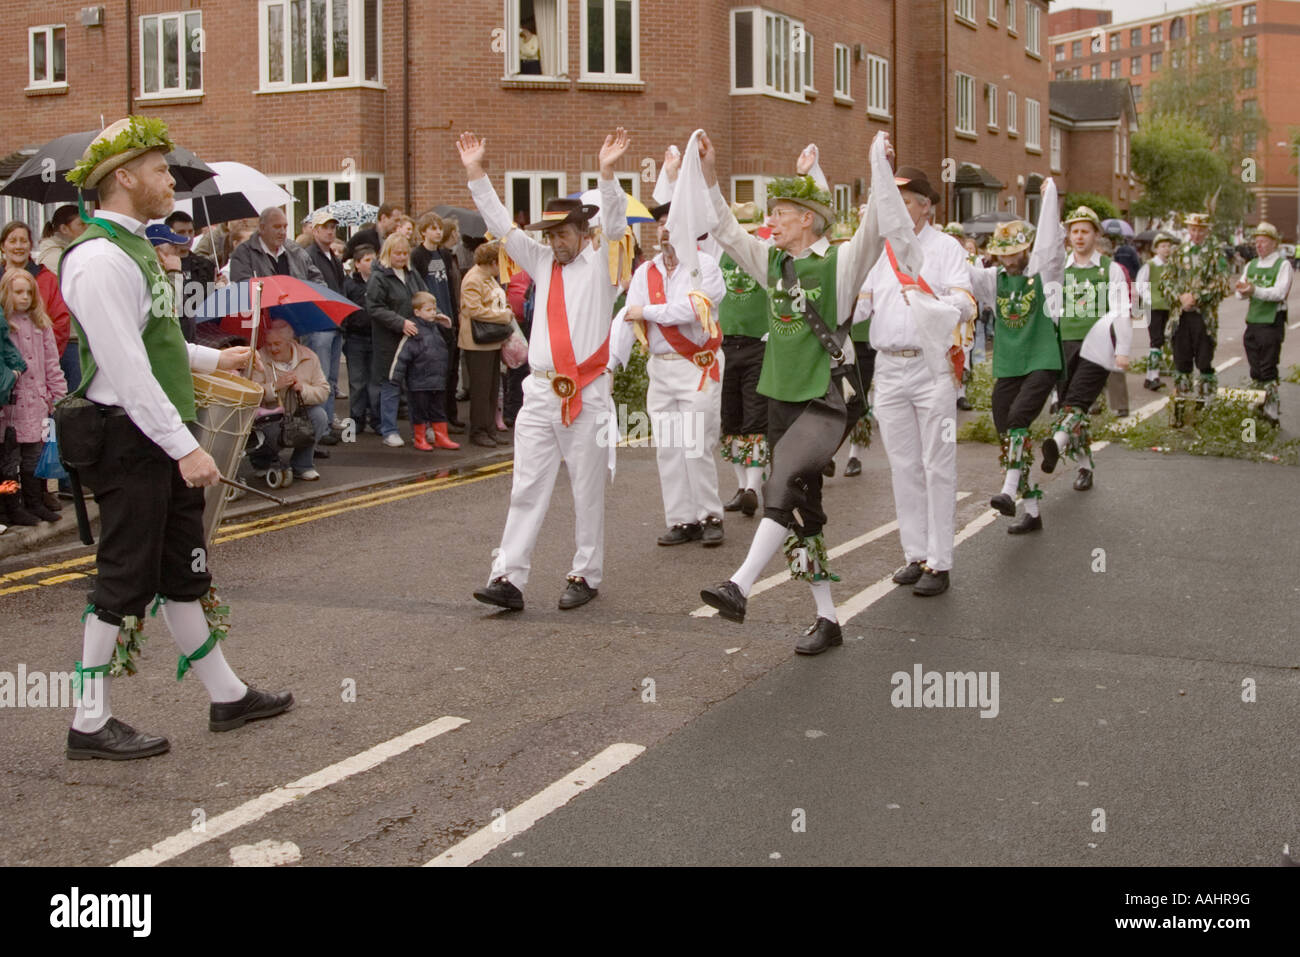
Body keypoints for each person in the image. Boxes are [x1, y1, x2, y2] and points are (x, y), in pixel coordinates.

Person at [57, 116, 291, 760]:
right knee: (124, 578)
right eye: (160, 170)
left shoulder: (134, 249)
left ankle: (227, 695)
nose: (170, 181)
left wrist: (217, 361)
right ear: (124, 178)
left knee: (183, 569)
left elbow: (155, 343)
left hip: (157, 432)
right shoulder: (98, 257)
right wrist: (184, 446)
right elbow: (126, 368)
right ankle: (87, 720)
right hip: (130, 437)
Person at [697, 131, 887, 654]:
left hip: (824, 401)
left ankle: (738, 585)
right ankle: (829, 619)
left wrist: (878, 166)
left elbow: (875, 229)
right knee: (803, 511)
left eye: (780, 212)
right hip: (780, 395)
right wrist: (710, 176)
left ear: (809, 219)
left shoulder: (840, 265)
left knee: (780, 488)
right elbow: (727, 232)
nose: (771, 221)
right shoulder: (773, 264)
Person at [458, 127, 630, 613]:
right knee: (526, 487)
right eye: (550, 235)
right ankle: (508, 577)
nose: (555, 242)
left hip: (588, 393)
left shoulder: (602, 266)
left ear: (584, 233)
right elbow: (503, 228)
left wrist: (608, 172)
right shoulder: (541, 262)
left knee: (586, 491)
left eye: (563, 233)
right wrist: (477, 174)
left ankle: (585, 572)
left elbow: (615, 223)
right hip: (538, 394)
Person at [859, 165, 975, 598]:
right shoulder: (880, 251)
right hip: (888, 367)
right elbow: (861, 304)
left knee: (937, 466)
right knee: (903, 466)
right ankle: (915, 554)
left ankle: (940, 561)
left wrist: (930, 302)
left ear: (925, 206)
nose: (898, 208)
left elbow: (965, 302)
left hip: (933, 369)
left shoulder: (946, 248)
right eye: (894, 201)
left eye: (906, 201)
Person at [611, 201, 727, 547]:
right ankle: (681, 519)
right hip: (660, 368)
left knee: (696, 444)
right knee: (669, 447)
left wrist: (647, 309)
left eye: (671, 223)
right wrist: (610, 366)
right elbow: (626, 319)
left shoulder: (705, 266)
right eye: (661, 223)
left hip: (697, 367)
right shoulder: (646, 271)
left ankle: (710, 514)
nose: (664, 228)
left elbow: (694, 309)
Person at [968, 193, 1065, 535]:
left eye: (1014, 253)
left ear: (1026, 250)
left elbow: (1052, 247)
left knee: (1019, 417)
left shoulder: (1045, 274)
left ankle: (1008, 492)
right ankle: (1033, 512)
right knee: (1007, 432)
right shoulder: (993, 279)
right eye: (1003, 254)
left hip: (1042, 359)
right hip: (1009, 364)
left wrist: (1050, 197)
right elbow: (958, 273)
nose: (1009, 260)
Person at [1055, 206, 1130, 488]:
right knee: (1068, 408)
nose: (1079, 236)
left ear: (1096, 235)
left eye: (1085, 231)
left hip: (1097, 346)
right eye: (1074, 231)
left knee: (1076, 404)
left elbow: (1123, 309)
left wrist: (1122, 349)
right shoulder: (1059, 267)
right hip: (1064, 344)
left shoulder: (1111, 269)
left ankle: (1057, 445)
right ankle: (1084, 465)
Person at [0, 268, 66, 524]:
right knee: (9, 462)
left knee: (34, 457)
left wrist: (58, 395)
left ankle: (34, 502)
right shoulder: (4, 327)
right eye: (18, 292)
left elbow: (52, 363)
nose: (25, 297)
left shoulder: (41, 325)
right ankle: (12, 506)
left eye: (29, 292)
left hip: (37, 401)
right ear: (7, 293)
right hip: (12, 404)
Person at [1157, 211, 1232, 423]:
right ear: (1188, 230)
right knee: (1181, 361)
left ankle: (1203, 409)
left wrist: (1197, 297)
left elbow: (1223, 284)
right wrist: (1180, 297)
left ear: (1207, 230)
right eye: (1192, 229)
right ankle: (1180, 410)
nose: (1196, 233)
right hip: (1181, 317)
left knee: (1204, 361)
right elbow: (1165, 281)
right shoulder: (1179, 252)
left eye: (1200, 230)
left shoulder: (1215, 254)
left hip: (1204, 318)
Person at [249, 319, 331, 480]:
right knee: (270, 431)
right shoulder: (259, 358)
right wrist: (274, 386)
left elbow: (323, 390)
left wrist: (303, 389)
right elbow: (251, 391)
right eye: (269, 344)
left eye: (277, 344)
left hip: (299, 412)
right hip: (269, 415)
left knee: (319, 416)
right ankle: (262, 461)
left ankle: (302, 464)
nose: (272, 348)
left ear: (290, 342)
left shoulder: (308, 356)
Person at [365, 233, 426, 447]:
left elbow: (423, 296)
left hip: (413, 339)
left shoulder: (411, 274)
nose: (401, 257)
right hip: (389, 340)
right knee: (390, 385)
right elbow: (374, 307)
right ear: (388, 253)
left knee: (416, 386)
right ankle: (388, 430)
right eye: (397, 253)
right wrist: (400, 323)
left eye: (404, 253)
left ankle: (420, 429)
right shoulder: (379, 277)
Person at [411, 212, 466, 431]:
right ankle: (436, 420)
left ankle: (450, 415)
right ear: (423, 231)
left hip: (449, 318)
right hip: (431, 319)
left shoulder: (444, 255)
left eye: (438, 228)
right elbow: (418, 286)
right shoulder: (418, 256)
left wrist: (456, 313)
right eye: (432, 228)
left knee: (452, 371)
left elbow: (451, 286)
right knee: (436, 373)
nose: (437, 232)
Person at [1234, 222, 1292, 424]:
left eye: (1264, 242)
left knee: (1268, 366)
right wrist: (1241, 290)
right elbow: (1239, 295)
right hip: (1253, 320)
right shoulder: (1251, 265)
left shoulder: (1283, 265)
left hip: (1271, 321)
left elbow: (1280, 293)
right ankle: (1260, 401)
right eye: (1257, 242)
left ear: (1274, 244)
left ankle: (1272, 408)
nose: (1259, 246)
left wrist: (1254, 290)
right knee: (1255, 368)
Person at [458, 240, 513, 448]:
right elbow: (474, 310)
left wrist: (505, 307)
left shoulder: (488, 278)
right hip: (477, 342)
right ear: (491, 261)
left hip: (491, 341)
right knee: (481, 391)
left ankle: (490, 429)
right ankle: (478, 431)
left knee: (491, 389)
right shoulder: (474, 279)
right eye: (500, 261)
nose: (502, 266)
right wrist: (503, 316)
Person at [391, 291, 459, 450]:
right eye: (428, 310)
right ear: (417, 312)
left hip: (437, 380)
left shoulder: (437, 328)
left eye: (434, 309)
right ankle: (419, 438)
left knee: (438, 410)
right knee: (419, 411)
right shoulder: (414, 330)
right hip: (418, 382)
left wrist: (448, 327)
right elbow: (402, 355)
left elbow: (449, 344)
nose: (433, 313)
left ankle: (441, 437)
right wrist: (395, 377)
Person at [301, 209, 346, 439]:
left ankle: (327, 423)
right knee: (321, 377)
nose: (330, 231)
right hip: (320, 325)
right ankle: (321, 429)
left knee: (331, 379)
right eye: (325, 227)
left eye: (333, 227)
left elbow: (339, 288)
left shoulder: (333, 258)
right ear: (315, 230)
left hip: (335, 323)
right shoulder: (309, 255)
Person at [228, 207, 326, 285]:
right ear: (262, 228)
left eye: (285, 226)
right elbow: (242, 289)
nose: (282, 232)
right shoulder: (244, 254)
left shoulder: (295, 251)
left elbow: (317, 281)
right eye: (277, 227)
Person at [343, 244, 382, 433]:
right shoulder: (349, 285)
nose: (372, 263)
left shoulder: (379, 281)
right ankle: (356, 420)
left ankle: (377, 419)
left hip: (375, 337)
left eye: (373, 258)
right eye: (367, 260)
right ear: (357, 264)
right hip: (355, 338)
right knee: (357, 381)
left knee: (376, 381)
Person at [1135, 232, 1177, 391]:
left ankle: (1151, 376)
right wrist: (1149, 300)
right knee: (1156, 340)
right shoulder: (1150, 265)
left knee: (1162, 340)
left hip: (1167, 306)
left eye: (1168, 246)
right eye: (1163, 246)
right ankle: (1152, 376)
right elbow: (1140, 284)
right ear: (1156, 249)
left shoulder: (1171, 266)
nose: (1166, 249)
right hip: (1153, 307)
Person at [36, 204, 87, 273]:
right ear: (64, 229)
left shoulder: (67, 251)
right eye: (82, 224)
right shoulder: (56, 259)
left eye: (88, 224)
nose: (87, 228)